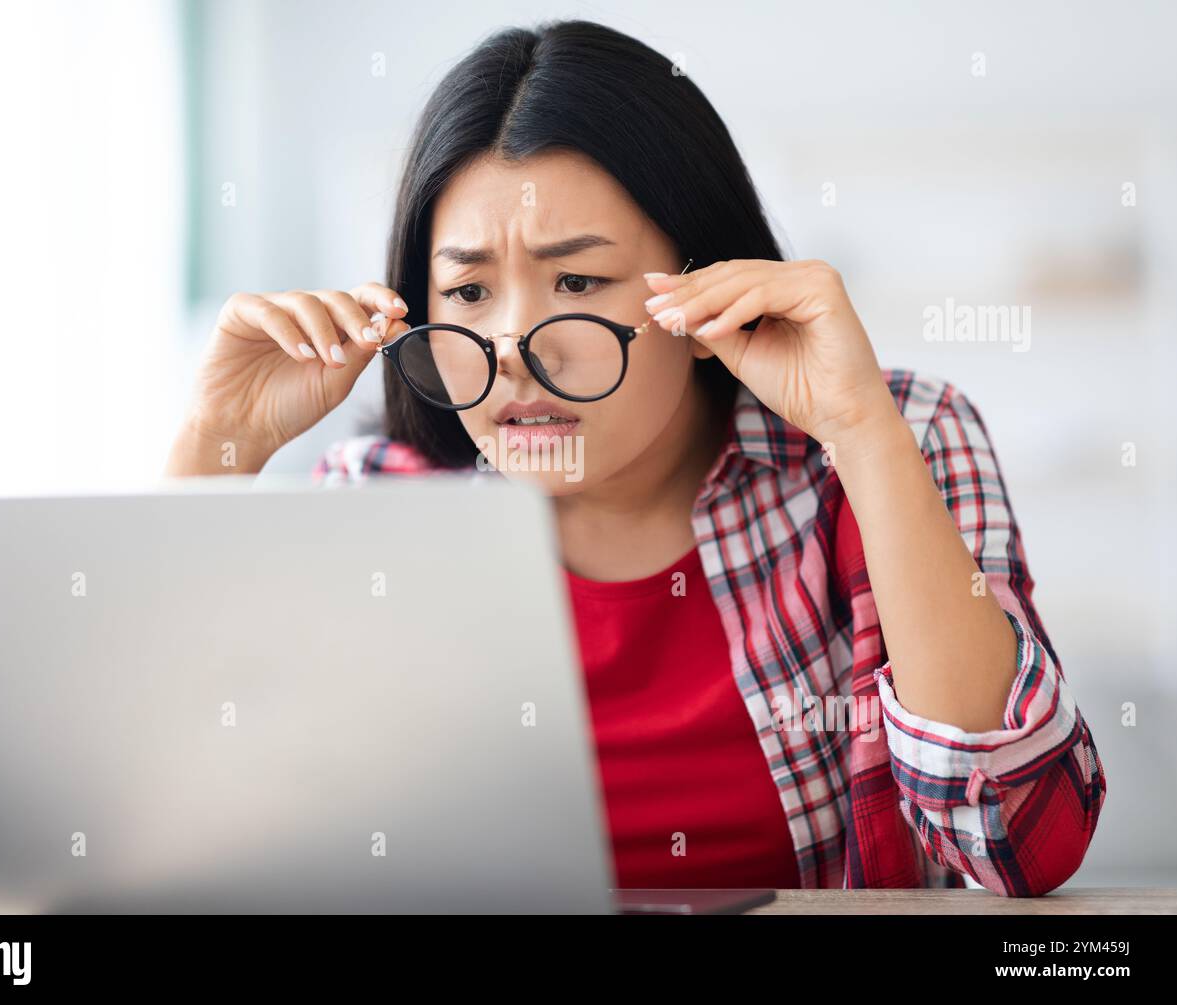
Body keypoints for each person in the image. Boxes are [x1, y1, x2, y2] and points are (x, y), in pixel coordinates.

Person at [165, 19, 1105, 894]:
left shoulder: (895, 436)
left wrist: (859, 429)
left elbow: (1021, 844)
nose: (516, 348)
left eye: (577, 278)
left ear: (702, 290)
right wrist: (217, 440)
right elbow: (167, 829)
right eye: (468, 291)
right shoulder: (376, 509)